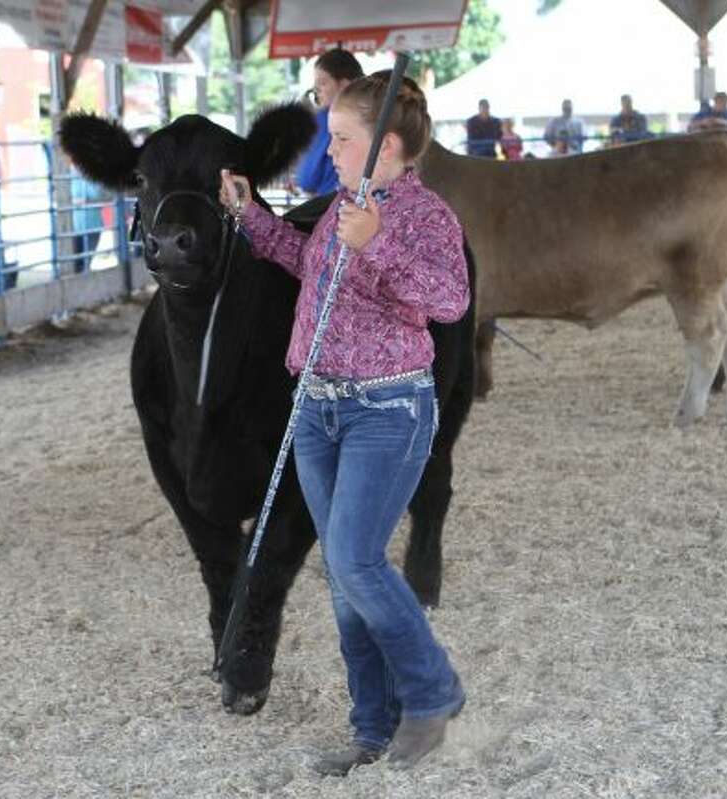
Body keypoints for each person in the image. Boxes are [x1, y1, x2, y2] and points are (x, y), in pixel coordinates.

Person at [219, 70, 469, 777]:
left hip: (386, 408)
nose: (329, 151)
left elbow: (450, 300)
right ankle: (372, 726)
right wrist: (252, 216)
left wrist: (379, 242)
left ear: (386, 145)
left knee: (356, 559)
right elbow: (311, 265)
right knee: (345, 571)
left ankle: (433, 689)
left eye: (342, 138)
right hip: (318, 407)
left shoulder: (424, 216)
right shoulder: (342, 207)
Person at [295, 48, 364, 196]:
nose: (317, 91)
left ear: (344, 86)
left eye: (322, 83)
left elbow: (308, 179)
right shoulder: (373, 115)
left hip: (330, 205)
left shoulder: (327, 118)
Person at [69, 169, 104, 272]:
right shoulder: (71, 175)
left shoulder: (93, 175)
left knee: (85, 262)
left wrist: (82, 200)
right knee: (77, 263)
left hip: (92, 226)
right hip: (76, 227)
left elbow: (98, 194)